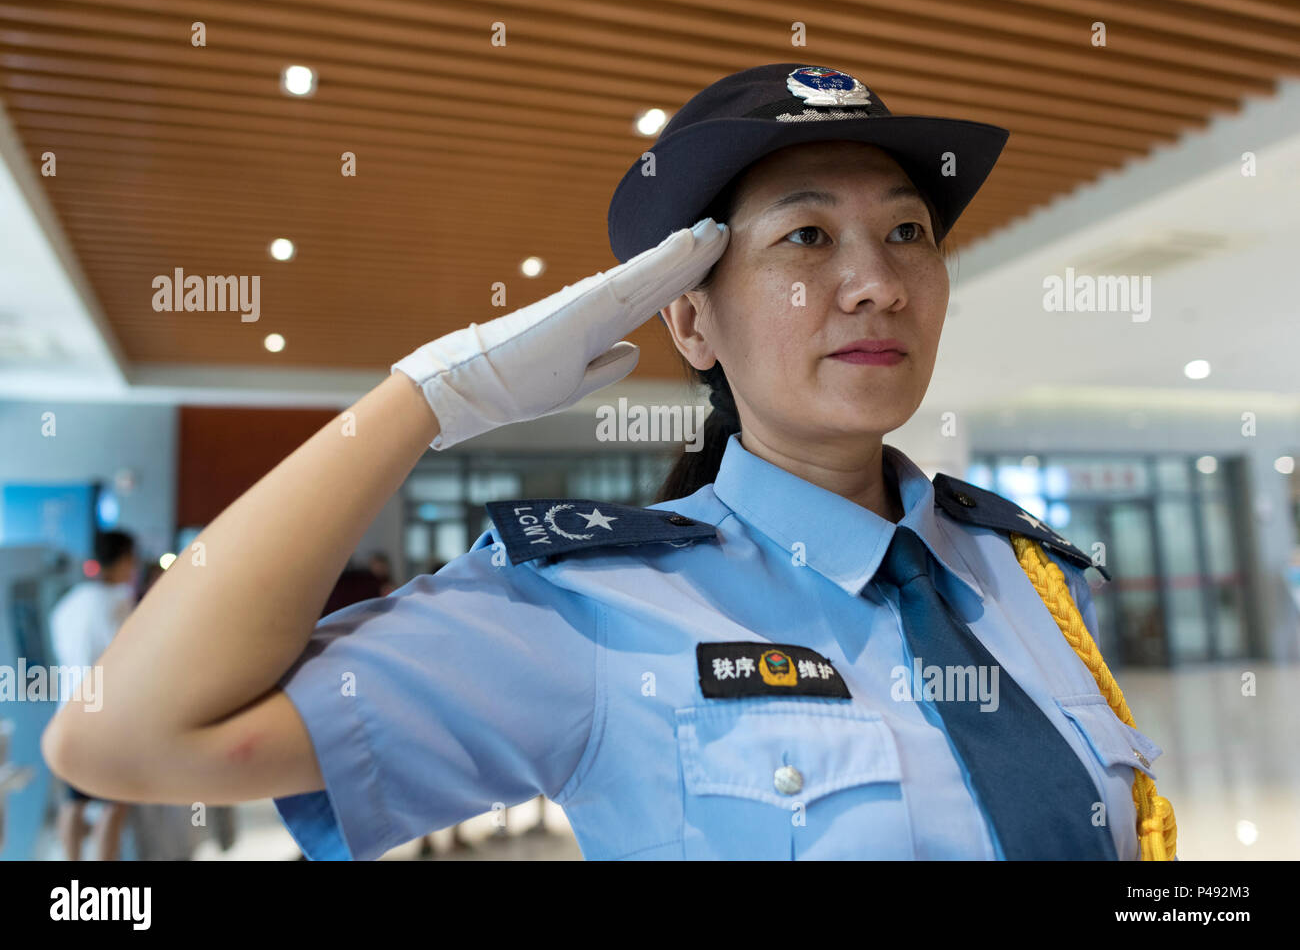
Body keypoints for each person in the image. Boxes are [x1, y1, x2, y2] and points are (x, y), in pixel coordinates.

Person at [41, 63, 1174, 861]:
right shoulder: (587, 613)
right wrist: (416, 405)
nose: (875, 280)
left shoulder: (1021, 573)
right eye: (807, 236)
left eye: (907, 232)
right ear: (690, 325)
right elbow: (122, 736)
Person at [48, 529, 138, 860]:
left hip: (67, 716)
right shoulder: (117, 602)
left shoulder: (68, 602)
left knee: (72, 804)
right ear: (123, 560)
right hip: (105, 721)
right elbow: (128, 658)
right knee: (115, 805)